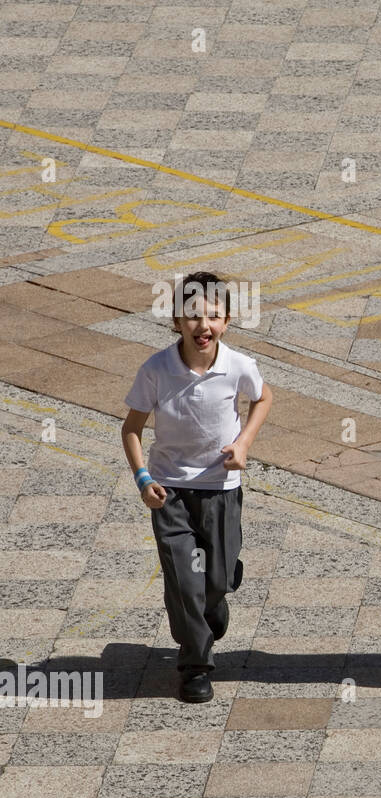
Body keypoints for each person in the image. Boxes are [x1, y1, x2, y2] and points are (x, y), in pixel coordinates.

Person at [122, 271, 272, 703]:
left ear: (226, 321)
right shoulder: (156, 369)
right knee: (185, 581)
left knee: (215, 579)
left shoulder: (239, 366)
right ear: (175, 321)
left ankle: (217, 594)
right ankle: (194, 666)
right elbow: (131, 429)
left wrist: (244, 443)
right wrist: (143, 478)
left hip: (221, 488)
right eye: (191, 316)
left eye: (212, 316)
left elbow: (264, 398)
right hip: (168, 491)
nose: (201, 326)